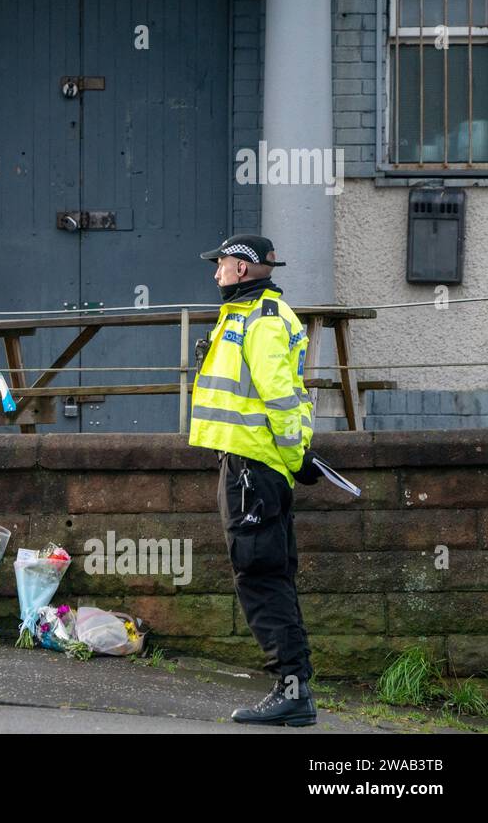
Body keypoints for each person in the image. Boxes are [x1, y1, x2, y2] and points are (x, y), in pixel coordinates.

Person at [189, 234, 322, 727]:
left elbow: (281, 398)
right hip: (256, 464)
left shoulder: (260, 321)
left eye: (221, 263)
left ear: (242, 269)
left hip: (254, 467)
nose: (216, 272)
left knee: (260, 575)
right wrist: (295, 458)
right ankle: (294, 688)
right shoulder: (256, 314)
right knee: (271, 574)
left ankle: (292, 690)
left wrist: (294, 456)